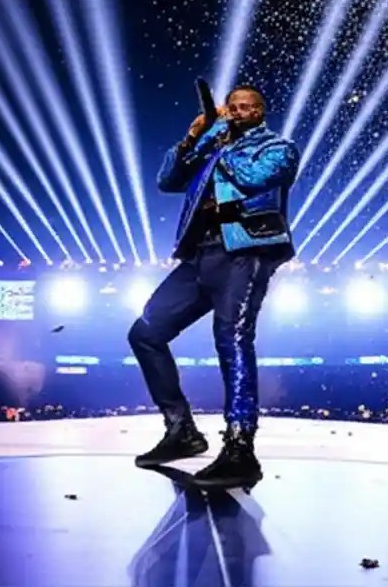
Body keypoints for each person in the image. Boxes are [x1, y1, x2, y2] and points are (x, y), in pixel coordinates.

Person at [127, 84, 299, 489]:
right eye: (232, 107)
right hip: (200, 254)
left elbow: (254, 179)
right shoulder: (214, 146)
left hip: (246, 250)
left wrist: (221, 139)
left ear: (260, 112)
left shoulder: (278, 148)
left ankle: (240, 448)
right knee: (145, 333)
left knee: (232, 339)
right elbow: (168, 180)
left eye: (246, 107)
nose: (237, 112)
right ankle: (180, 429)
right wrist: (193, 137)